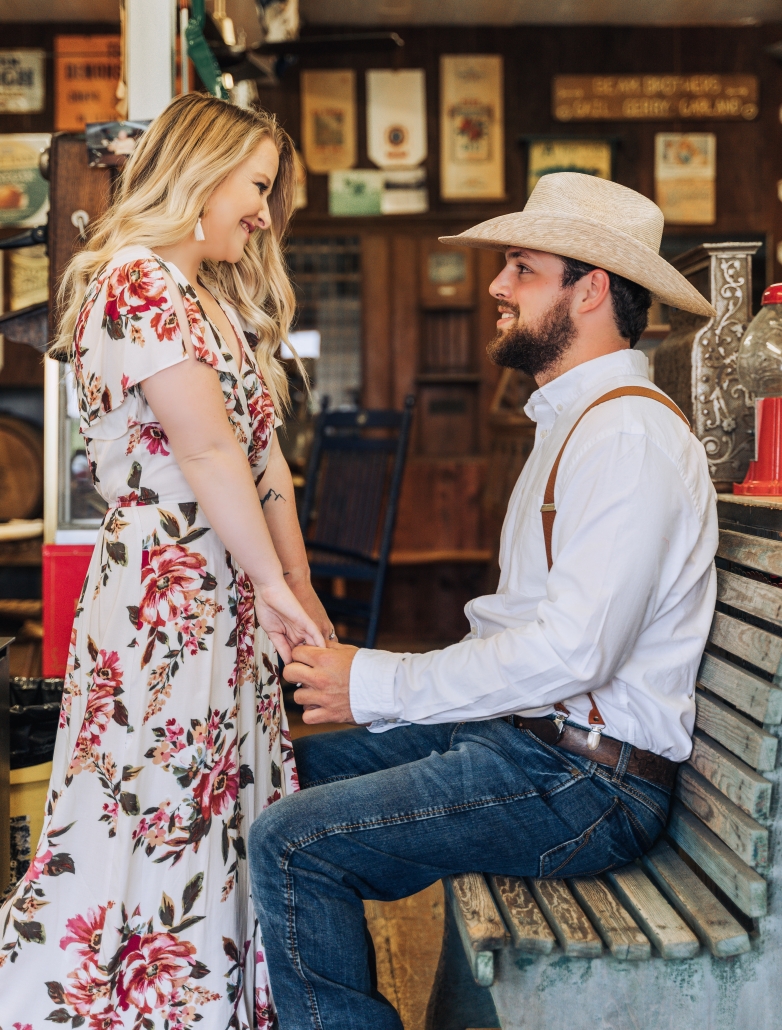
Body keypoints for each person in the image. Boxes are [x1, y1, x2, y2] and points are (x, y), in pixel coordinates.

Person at [248, 172, 720, 1029]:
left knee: (295, 844)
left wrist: (378, 686)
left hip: (587, 783)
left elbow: (577, 654)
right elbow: (530, 638)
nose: (497, 289)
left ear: (592, 290)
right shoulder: (578, 421)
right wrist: (379, 686)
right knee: (279, 778)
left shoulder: (627, 436)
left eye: (521, 269)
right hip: (533, 743)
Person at [0, 93, 331, 1029]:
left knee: (220, 783)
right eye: (257, 187)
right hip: (169, 583)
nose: (263, 212)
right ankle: (158, 996)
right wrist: (272, 583)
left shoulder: (212, 301)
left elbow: (266, 463)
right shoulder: (136, 280)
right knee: (165, 785)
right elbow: (207, 452)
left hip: (224, 579)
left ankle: (210, 988)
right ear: (203, 172)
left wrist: (294, 587)